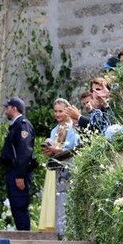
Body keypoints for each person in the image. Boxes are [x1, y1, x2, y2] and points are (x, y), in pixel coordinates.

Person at [39, 97, 81, 232]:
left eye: (61, 111)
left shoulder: (72, 128)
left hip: (68, 166)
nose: (57, 114)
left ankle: (64, 230)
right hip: (55, 167)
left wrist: (56, 149)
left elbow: (72, 149)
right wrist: (49, 151)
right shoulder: (54, 130)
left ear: (67, 111)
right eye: (55, 111)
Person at [0, 96, 35, 231]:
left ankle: (25, 240)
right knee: (16, 205)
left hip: (18, 172)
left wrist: (20, 175)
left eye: (7, 108)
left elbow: (24, 151)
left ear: (14, 108)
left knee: (20, 205)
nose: (6, 111)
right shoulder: (16, 125)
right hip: (13, 171)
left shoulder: (23, 125)